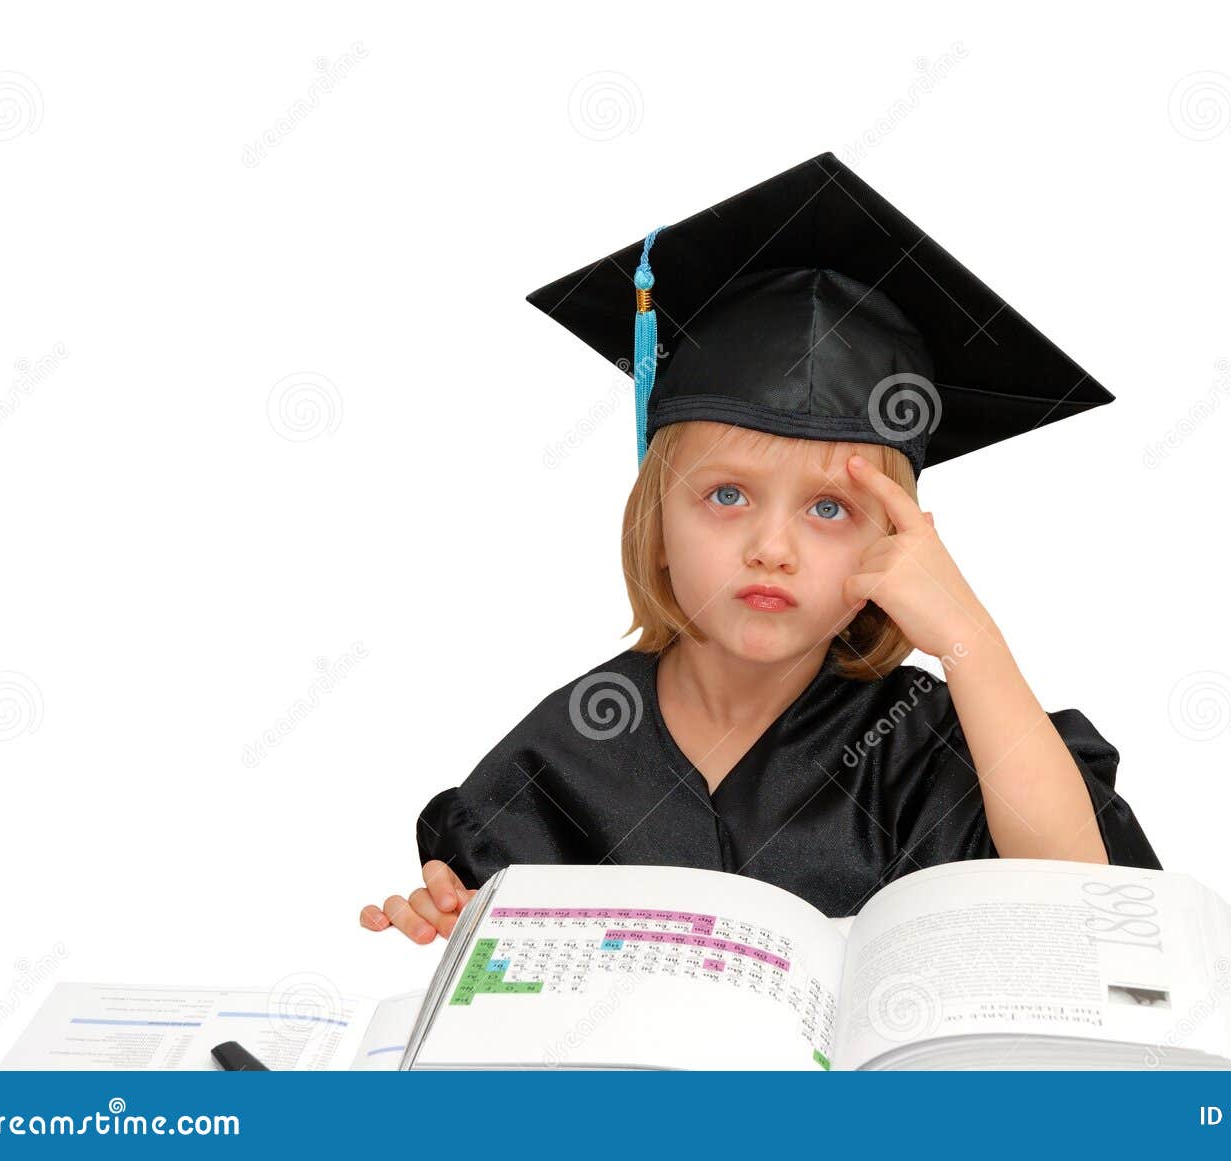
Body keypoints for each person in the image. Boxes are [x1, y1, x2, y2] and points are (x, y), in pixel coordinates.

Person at [360, 152, 1160, 943]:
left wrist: (970, 640)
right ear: (657, 526)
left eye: (829, 508)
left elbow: (1084, 911)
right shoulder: (574, 746)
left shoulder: (931, 744)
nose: (772, 547)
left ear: (895, 545)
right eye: (727, 496)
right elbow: (515, 966)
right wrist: (470, 926)